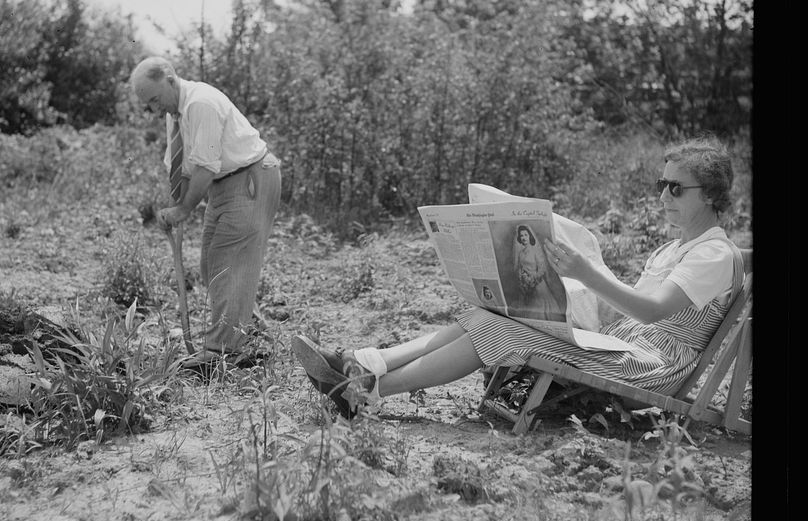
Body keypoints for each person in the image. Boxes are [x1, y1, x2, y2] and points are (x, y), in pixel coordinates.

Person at [292, 137, 744, 420]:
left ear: (712, 197)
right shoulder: (675, 247)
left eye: (676, 188)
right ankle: (368, 364)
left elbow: (653, 309)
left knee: (503, 330)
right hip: (624, 342)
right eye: (662, 184)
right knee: (498, 309)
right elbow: (632, 305)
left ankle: (365, 389)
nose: (664, 195)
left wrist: (585, 272)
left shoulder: (712, 253)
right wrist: (569, 288)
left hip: (651, 365)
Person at [129, 57, 281, 369]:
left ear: (171, 80)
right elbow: (184, 168)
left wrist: (184, 209)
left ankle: (221, 353)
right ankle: (249, 335)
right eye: (148, 105)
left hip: (249, 178)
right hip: (222, 186)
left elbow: (206, 166)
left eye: (155, 100)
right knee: (212, 263)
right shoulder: (177, 111)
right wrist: (175, 206)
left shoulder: (201, 104)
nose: (154, 110)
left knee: (229, 261)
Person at [511, 224, 565, 321]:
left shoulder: (535, 249)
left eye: (525, 235)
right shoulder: (521, 253)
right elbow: (520, 268)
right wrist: (523, 278)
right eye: (521, 235)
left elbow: (542, 268)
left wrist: (533, 278)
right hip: (526, 286)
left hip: (538, 284)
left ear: (529, 236)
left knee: (542, 311)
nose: (523, 238)